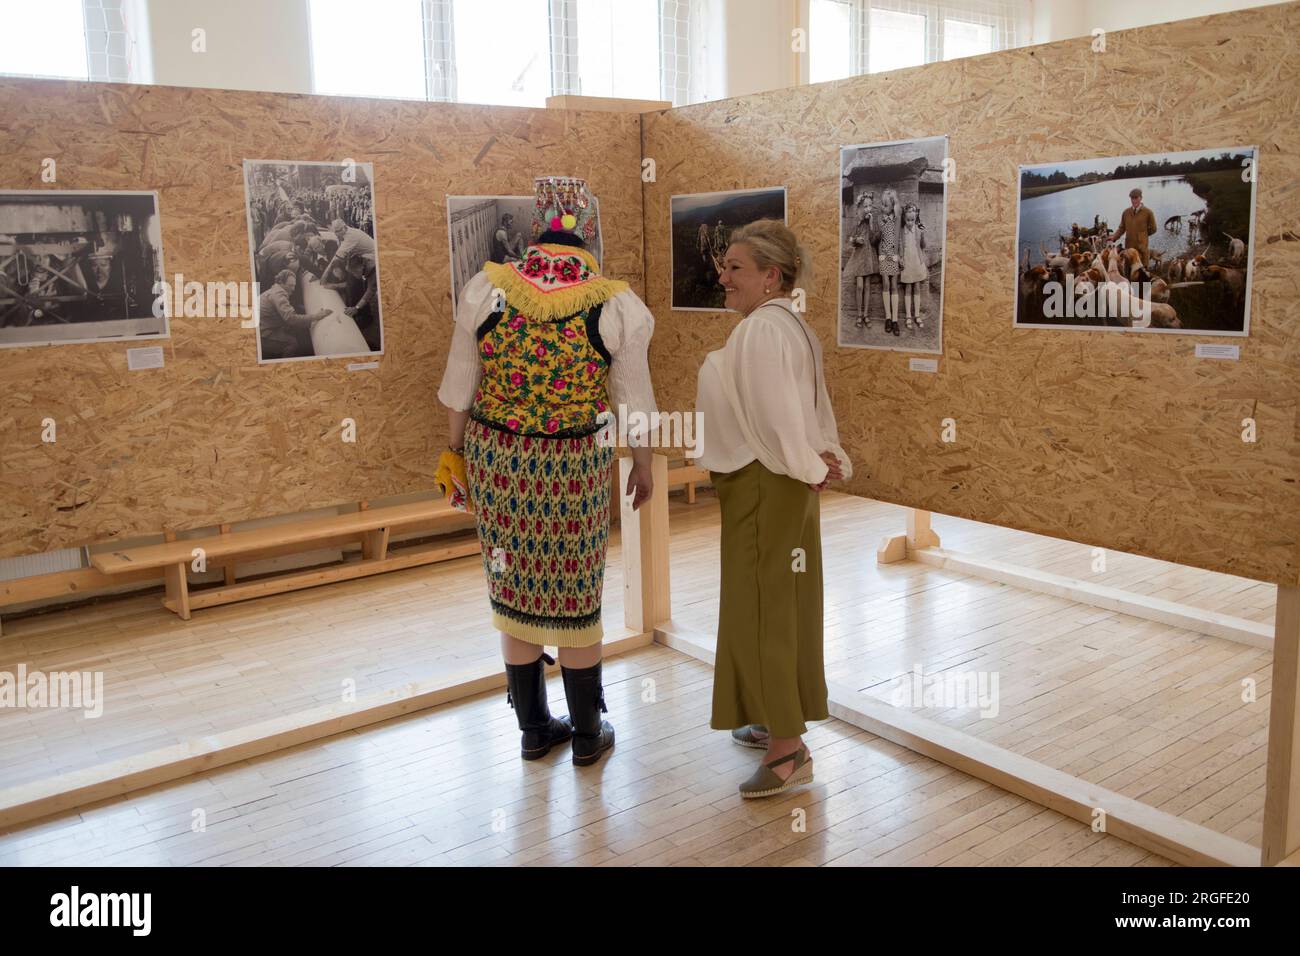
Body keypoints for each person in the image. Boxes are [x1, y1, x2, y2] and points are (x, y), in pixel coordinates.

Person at [437, 176, 657, 767]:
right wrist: (643, 465)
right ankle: (588, 734)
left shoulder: (486, 289)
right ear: (589, 232)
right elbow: (633, 401)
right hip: (573, 469)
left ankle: (534, 729)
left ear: (535, 229)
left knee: (513, 588)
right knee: (576, 593)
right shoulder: (614, 303)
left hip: (499, 463)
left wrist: (454, 452)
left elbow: (462, 386)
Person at [695, 218, 852, 798]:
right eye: (724, 266)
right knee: (779, 605)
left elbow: (776, 418)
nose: (723, 276)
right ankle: (772, 719)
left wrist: (812, 463)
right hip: (781, 484)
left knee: (762, 611)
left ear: (770, 277)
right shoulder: (791, 325)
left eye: (735, 268)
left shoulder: (763, 330)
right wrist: (822, 457)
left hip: (765, 486)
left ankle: (789, 751)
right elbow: (806, 410)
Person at [258, 268, 332, 360]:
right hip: (262, 334)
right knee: (292, 343)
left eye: (294, 286)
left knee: (293, 330)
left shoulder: (273, 290)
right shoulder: (279, 293)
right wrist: (316, 316)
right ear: (281, 282)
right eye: (290, 285)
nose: (293, 289)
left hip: (262, 327)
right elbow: (291, 318)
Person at [844, 192, 878, 329]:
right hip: (859, 257)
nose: (868, 208)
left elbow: (874, 240)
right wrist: (856, 240)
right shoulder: (857, 222)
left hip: (869, 255)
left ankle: (865, 315)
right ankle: (858, 314)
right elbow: (849, 239)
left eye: (870, 206)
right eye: (865, 206)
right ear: (860, 208)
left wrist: (870, 224)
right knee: (859, 286)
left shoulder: (871, 222)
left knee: (868, 286)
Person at [898, 202, 928, 329]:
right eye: (908, 220)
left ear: (915, 218)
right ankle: (908, 316)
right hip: (907, 262)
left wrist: (923, 233)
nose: (910, 222)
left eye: (912, 220)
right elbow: (900, 247)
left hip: (917, 261)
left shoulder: (918, 230)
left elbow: (923, 246)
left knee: (917, 287)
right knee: (908, 288)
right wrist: (900, 258)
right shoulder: (901, 232)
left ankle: (917, 314)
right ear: (904, 219)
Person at [1110, 188, 1157, 267]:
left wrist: (1142, 235)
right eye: (1132, 198)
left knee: (1142, 271)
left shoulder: (1148, 212)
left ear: (1141, 198)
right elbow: (1122, 228)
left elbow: (1153, 229)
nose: (1134, 200)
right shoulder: (1126, 212)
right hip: (1129, 248)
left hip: (1142, 249)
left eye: (1136, 198)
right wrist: (1114, 237)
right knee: (1129, 270)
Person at [876, 188, 901, 336]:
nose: (882, 207)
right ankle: (888, 318)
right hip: (884, 255)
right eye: (882, 204)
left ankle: (896, 320)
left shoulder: (897, 218)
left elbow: (899, 239)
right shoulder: (880, 219)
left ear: (892, 206)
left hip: (894, 255)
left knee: (894, 285)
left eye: (886, 205)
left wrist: (900, 255)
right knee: (885, 283)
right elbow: (878, 237)